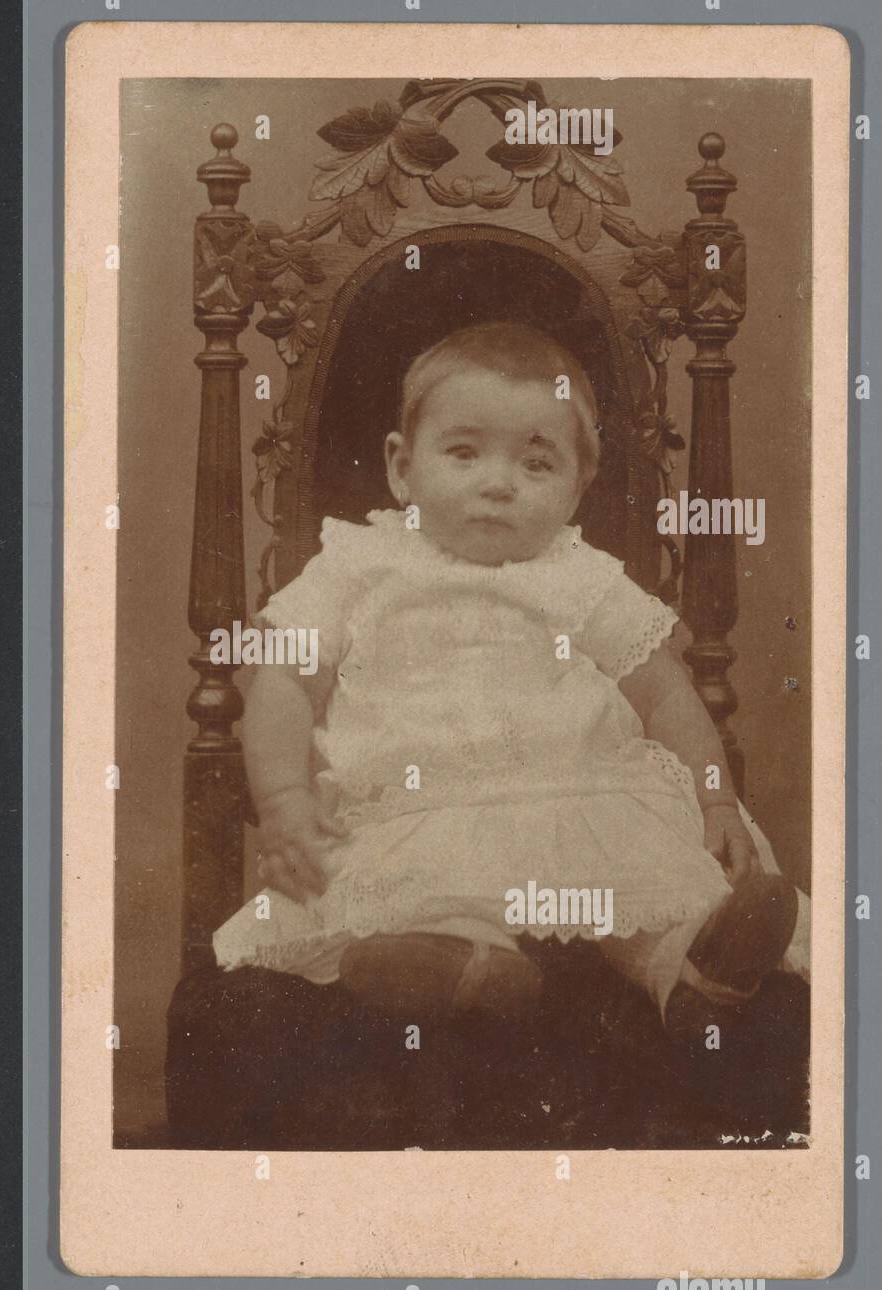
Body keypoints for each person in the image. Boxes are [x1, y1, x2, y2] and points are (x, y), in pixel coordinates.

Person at [212, 322, 796, 1037]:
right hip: (420, 806)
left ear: (580, 484)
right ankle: (465, 966)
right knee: (425, 890)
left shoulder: (581, 578)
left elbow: (668, 694)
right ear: (402, 467)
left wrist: (717, 805)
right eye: (463, 453)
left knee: (650, 893)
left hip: (581, 795)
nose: (497, 484)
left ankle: (694, 975)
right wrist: (283, 799)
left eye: (536, 466)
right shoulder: (356, 566)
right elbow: (283, 683)